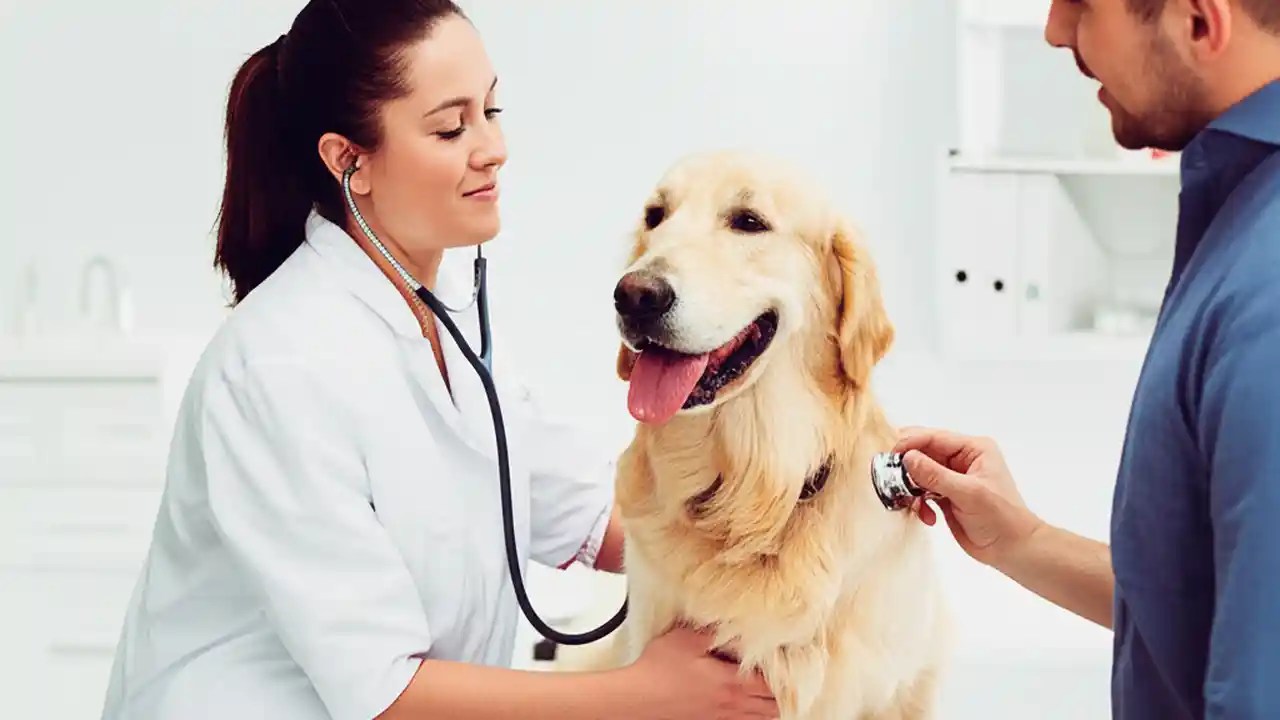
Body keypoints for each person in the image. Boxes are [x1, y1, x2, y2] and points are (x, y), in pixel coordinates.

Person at [99, 2, 778, 719]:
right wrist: (644, 694)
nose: (493, 147)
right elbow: (382, 691)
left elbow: (587, 512)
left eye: (492, 109)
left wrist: (853, 486)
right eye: (452, 127)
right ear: (347, 160)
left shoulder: (446, 316)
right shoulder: (278, 366)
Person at [896, 0, 1280, 718]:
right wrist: (1025, 541)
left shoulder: (1268, 286)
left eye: (1081, 3)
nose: (1055, 30)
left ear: (1200, 21)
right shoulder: (1240, 212)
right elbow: (1209, 610)